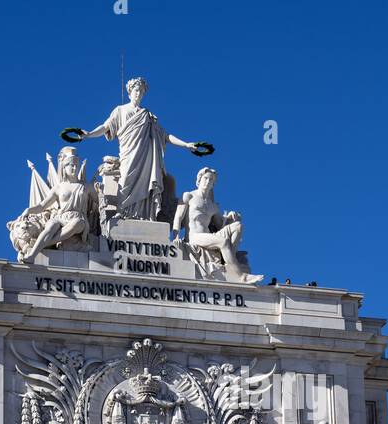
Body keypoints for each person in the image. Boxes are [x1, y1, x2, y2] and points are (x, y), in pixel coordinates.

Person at [75, 77, 204, 220]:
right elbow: (105, 127)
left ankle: (142, 215)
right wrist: (89, 134)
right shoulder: (120, 111)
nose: (139, 94)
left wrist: (186, 145)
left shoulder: (147, 116)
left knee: (145, 184)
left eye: (142, 92)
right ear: (130, 92)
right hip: (128, 154)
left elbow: (166, 136)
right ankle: (122, 211)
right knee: (125, 181)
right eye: (136, 90)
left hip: (146, 157)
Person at [173, 167, 263, 283]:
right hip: (194, 237)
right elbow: (178, 217)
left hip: (208, 235)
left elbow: (221, 224)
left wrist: (230, 216)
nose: (207, 182)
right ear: (199, 180)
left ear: (213, 184)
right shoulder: (189, 196)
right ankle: (241, 276)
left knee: (238, 226)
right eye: (205, 178)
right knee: (223, 241)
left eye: (211, 180)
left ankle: (229, 259)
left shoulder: (213, 206)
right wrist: (175, 236)